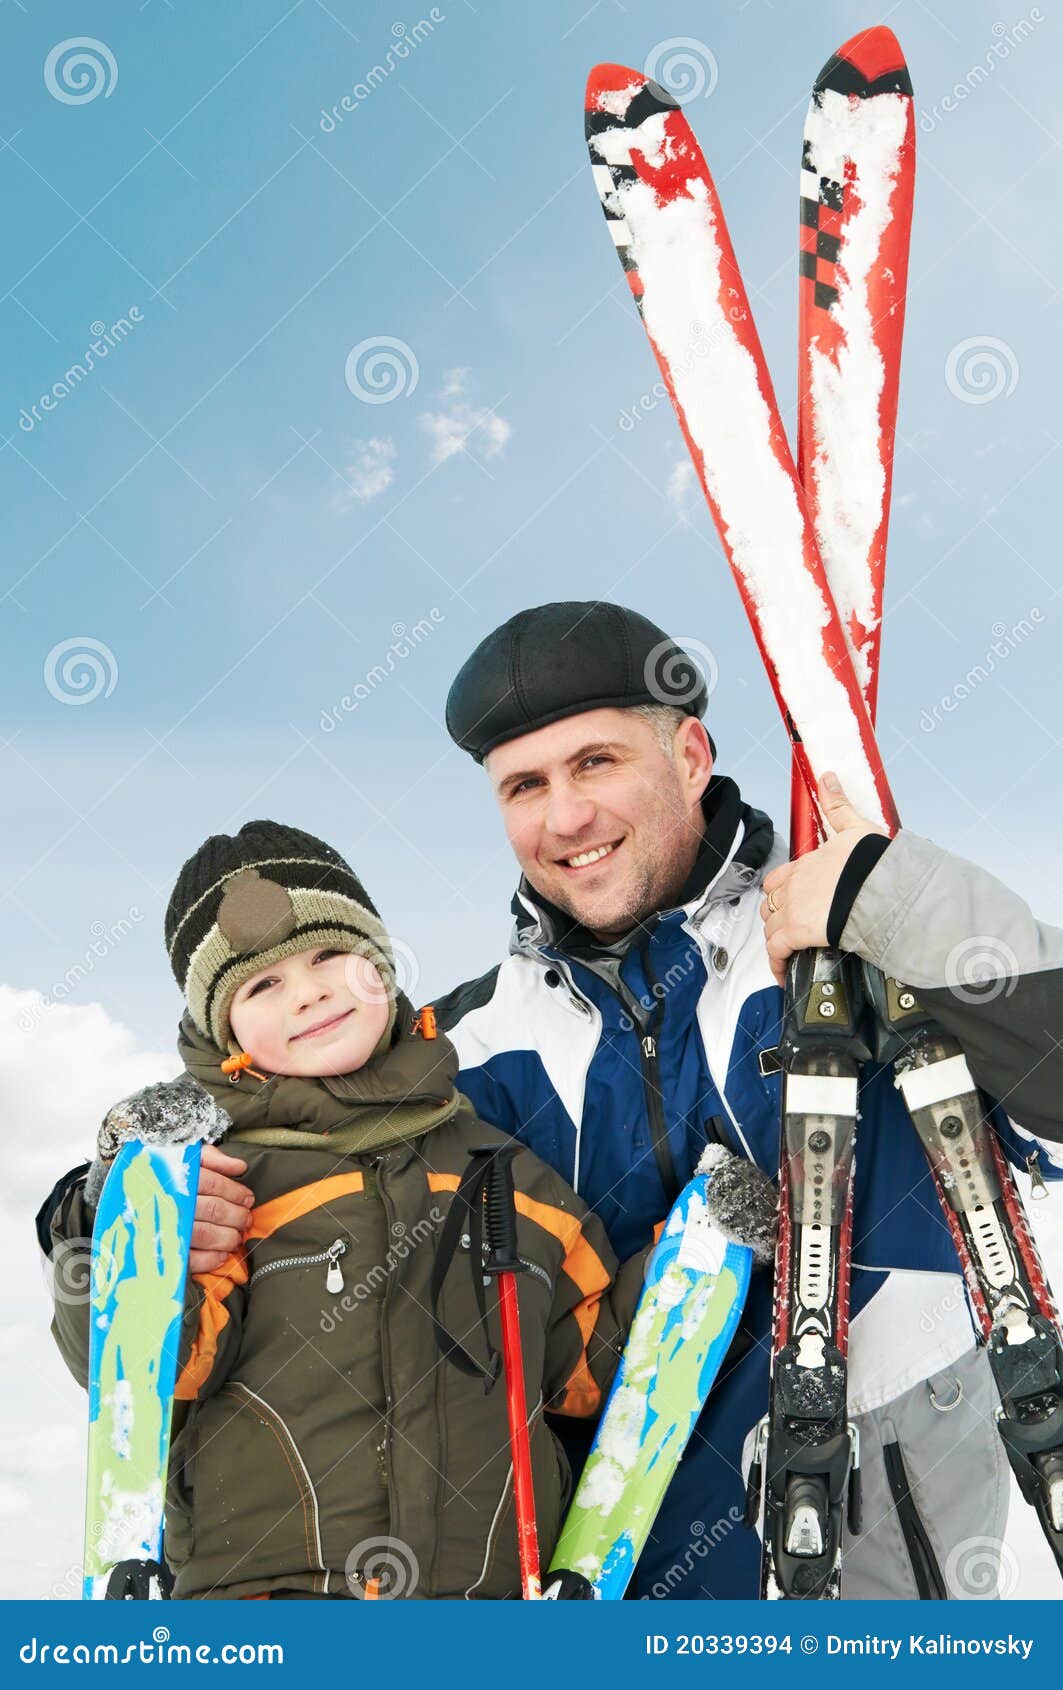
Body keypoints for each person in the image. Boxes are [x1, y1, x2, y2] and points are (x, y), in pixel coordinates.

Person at [433, 600, 1063, 1599]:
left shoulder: (851, 926)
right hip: (609, 1581)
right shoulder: (465, 1046)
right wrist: (152, 1209)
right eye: (525, 785)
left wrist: (896, 905)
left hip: (876, 1565)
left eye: (595, 762)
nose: (564, 818)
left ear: (689, 756)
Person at [41, 821, 647, 1600]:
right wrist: (121, 1223)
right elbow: (145, 1370)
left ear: (381, 964)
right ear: (222, 1032)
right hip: (270, 1607)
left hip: (482, 1606)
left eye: (329, 954)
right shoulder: (219, 1186)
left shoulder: (508, 1178)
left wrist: (694, 1253)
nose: (310, 992)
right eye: (262, 986)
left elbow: (588, 1373)